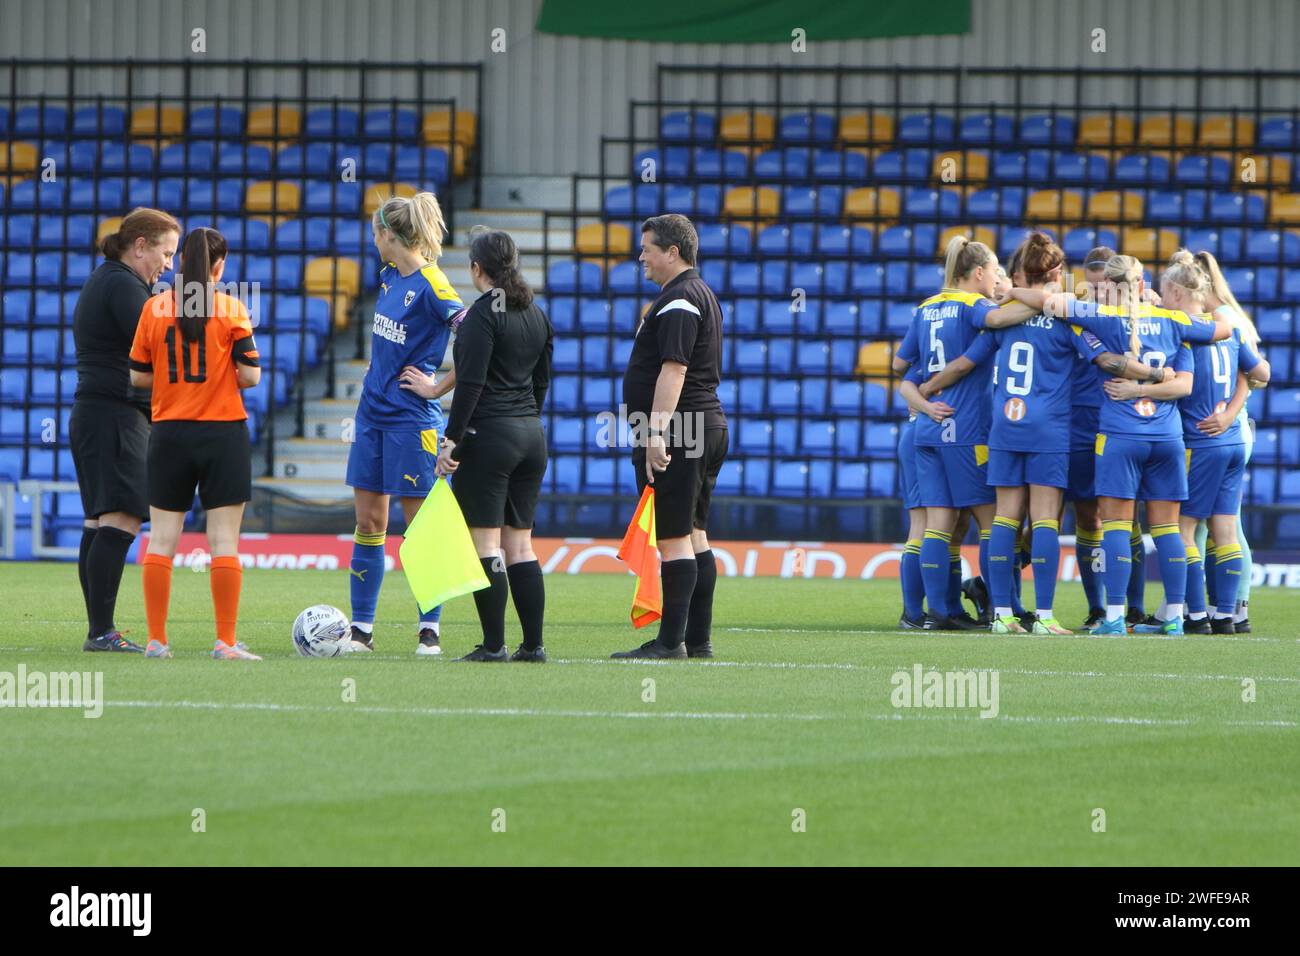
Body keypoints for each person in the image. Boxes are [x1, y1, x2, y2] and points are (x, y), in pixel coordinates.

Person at [926, 233, 1171, 634]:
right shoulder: (1067, 320)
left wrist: (924, 389)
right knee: (1044, 523)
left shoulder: (1001, 318)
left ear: (1023, 272)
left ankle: (1002, 615)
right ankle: (1044, 616)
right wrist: (1151, 375)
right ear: (1057, 273)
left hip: (1004, 426)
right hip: (1049, 429)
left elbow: (965, 363)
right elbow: (1106, 358)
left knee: (1005, 520)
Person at [1024, 255, 1233, 635]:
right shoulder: (1175, 322)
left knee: (1117, 526)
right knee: (1169, 530)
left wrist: (1011, 291)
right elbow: (1224, 330)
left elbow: (1050, 303)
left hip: (1120, 436)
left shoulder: (1102, 317)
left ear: (1111, 286)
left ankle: (1116, 617)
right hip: (1167, 438)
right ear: (1142, 285)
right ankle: (1173, 617)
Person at [128, 226, 261, 659]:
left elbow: (137, 376)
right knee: (224, 542)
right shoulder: (231, 308)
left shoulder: (155, 308)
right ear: (219, 266)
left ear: (182, 260)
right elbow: (250, 376)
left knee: (162, 539)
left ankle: (156, 639)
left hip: (169, 434)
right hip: (222, 433)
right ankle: (224, 641)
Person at [422, 229, 552, 662]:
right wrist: (526, 418)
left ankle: (493, 645)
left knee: (486, 545)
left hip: (490, 438)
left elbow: (471, 384)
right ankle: (533, 646)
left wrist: (451, 441)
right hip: (531, 436)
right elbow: (541, 382)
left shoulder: (481, 316)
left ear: (477, 269)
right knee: (521, 547)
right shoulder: (537, 313)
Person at [896, 236, 1038, 631]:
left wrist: (923, 391)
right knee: (996, 522)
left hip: (926, 428)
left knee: (937, 525)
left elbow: (898, 362)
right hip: (965, 428)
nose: (997, 279)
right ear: (978, 272)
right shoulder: (974, 306)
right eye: (994, 272)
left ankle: (937, 612)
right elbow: (995, 320)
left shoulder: (925, 308)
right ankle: (1002, 608)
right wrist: (1040, 299)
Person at [345, 192, 464, 655]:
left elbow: (476, 338)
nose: (372, 241)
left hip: (413, 422)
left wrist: (439, 386)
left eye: (374, 233)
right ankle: (361, 631)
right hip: (372, 416)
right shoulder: (390, 277)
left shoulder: (435, 286)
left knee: (421, 527)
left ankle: (429, 631)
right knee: (369, 521)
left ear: (386, 235)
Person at [611, 214, 728, 659]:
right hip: (703, 424)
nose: (641, 256)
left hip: (682, 428)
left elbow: (674, 368)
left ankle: (670, 642)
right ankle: (697, 640)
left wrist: (657, 431)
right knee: (695, 535)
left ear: (672, 252)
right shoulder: (700, 293)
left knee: (674, 537)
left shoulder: (680, 299)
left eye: (647, 248)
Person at [71, 207, 180, 652]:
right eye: (166, 252)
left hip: (99, 415)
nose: (169, 264)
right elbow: (160, 342)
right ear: (140, 246)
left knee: (100, 522)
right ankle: (101, 631)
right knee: (120, 518)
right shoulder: (122, 284)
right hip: (115, 415)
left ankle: (100, 626)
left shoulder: (110, 280)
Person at [1156, 251, 1269, 634]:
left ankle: (1196, 613)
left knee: (1184, 529)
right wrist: (1230, 411)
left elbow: (1175, 384)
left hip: (1200, 441)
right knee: (1225, 529)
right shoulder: (1230, 328)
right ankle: (1227, 615)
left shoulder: (1185, 332)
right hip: (1234, 438)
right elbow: (1262, 373)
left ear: (1175, 291)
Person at [1192, 251, 1263, 633]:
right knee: (1220, 523)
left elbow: (1254, 375)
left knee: (1219, 524)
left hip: (1225, 427)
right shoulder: (1234, 317)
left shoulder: (1224, 321)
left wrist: (1228, 412)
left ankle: (1225, 606)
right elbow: (1261, 371)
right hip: (1234, 428)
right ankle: (1224, 606)